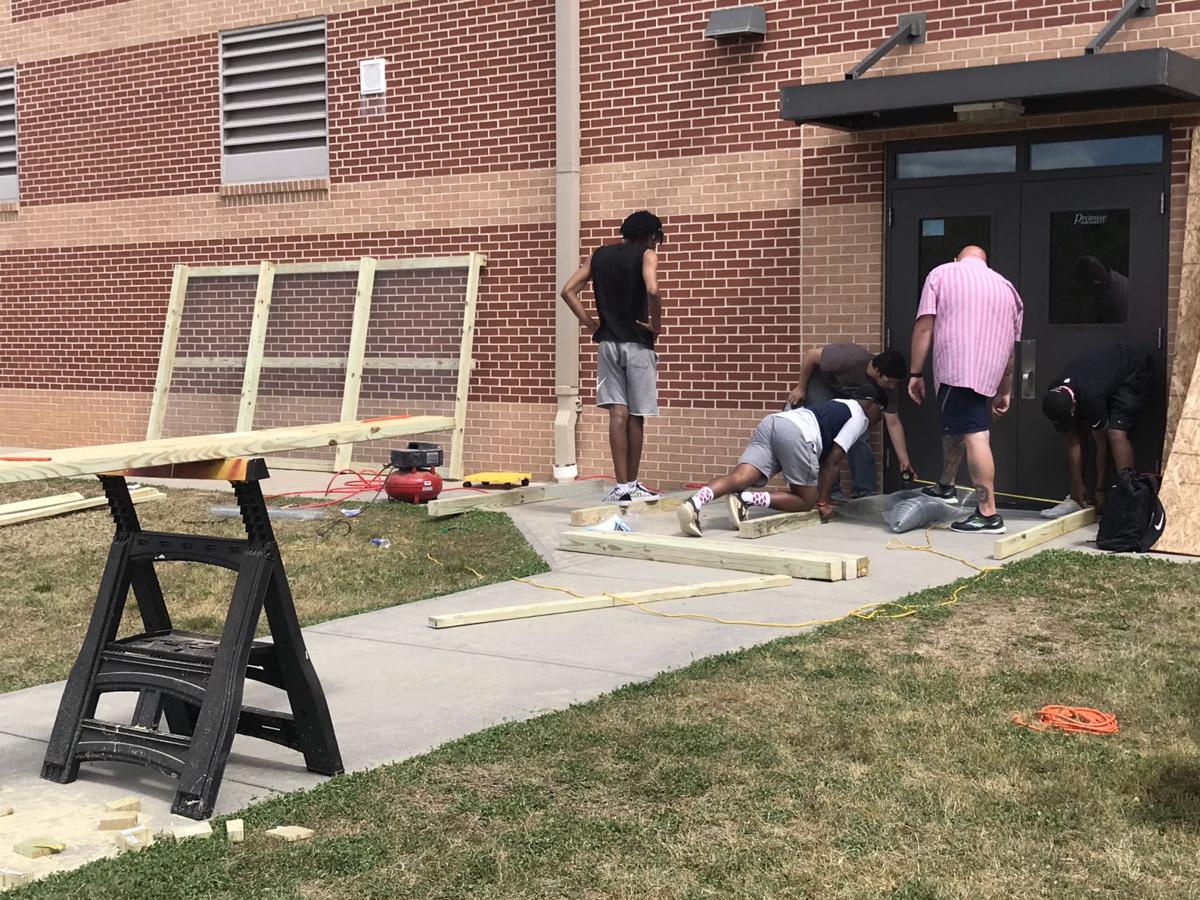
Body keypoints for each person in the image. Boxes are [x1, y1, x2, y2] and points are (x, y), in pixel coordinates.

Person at [908, 245, 1023, 535]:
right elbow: (1010, 349)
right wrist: (1005, 390)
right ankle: (946, 486)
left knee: (975, 435)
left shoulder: (943, 273)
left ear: (957, 258)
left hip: (958, 366)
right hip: (987, 372)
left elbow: (924, 328)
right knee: (957, 428)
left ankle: (988, 514)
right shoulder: (1007, 288)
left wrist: (915, 372)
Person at [677, 385, 887, 537]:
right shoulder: (860, 417)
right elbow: (833, 461)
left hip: (775, 421)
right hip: (799, 434)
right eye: (881, 411)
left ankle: (694, 503)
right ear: (870, 404)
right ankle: (746, 499)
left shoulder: (840, 403)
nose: (880, 418)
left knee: (740, 477)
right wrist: (822, 502)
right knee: (805, 501)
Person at [560, 211, 664, 504]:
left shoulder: (599, 255)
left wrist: (591, 324)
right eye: (657, 240)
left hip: (607, 344)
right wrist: (657, 325)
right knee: (636, 415)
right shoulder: (646, 254)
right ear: (651, 236)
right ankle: (633, 484)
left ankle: (621, 488)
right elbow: (653, 289)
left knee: (617, 413)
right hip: (638, 345)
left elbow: (568, 291)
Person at [1040, 342, 1155, 518]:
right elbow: (1071, 438)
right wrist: (1077, 485)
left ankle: (1130, 498)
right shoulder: (1055, 395)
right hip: (1101, 376)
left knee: (1115, 433)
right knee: (1079, 431)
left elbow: (1103, 445)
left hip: (1134, 369)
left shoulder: (1091, 397)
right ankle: (1077, 499)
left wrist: (1101, 489)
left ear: (1074, 406)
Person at [786, 343, 914, 497]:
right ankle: (831, 492)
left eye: (895, 383)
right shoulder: (848, 358)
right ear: (878, 372)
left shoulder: (888, 388)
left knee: (860, 433)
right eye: (890, 381)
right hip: (823, 383)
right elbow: (811, 355)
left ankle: (864, 492)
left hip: (848, 394)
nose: (892, 386)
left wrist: (903, 460)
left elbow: (893, 423)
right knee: (824, 431)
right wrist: (801, 387)